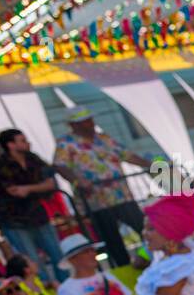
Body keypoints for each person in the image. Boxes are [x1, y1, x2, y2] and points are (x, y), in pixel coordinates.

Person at [53, 108, 150, 268]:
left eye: (90, 119)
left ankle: (146, 261)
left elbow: (126, 155)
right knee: (113, 242)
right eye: (85, 121)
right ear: (73, 125)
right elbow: (60, 166)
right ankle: (126, 271)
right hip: (96, 202)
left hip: (122, 196)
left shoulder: (103, 138)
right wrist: (78, 181)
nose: (90, 123)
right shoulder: (65, 143)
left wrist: (151, 165)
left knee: (144, 229)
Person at [0, 129, 68, 283]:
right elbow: (15, 191)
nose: (27, 143)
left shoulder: (33, 159)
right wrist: (37, 187)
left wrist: (29, 188)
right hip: (14, 222)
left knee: (59, 256)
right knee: (32, 265)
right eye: (22, 140)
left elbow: (50, 183)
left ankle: (66, 292)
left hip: (38, 216)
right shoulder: (1, 165)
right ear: (10, 145)